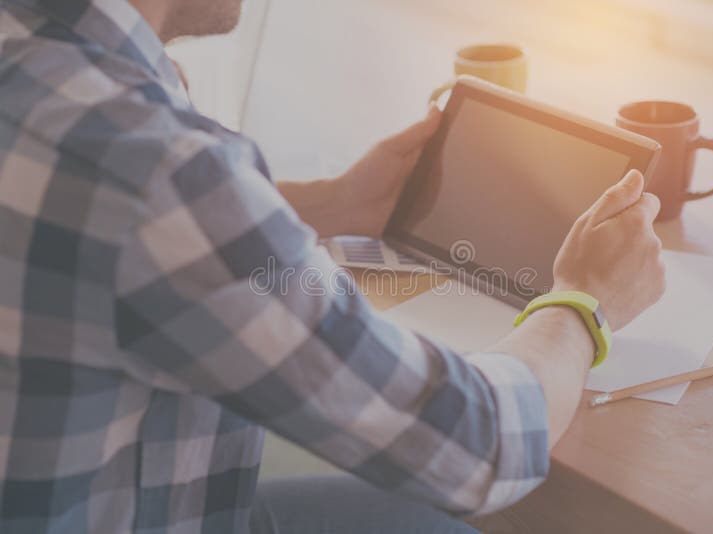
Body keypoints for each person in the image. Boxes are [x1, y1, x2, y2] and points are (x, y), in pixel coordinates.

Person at [0, 0, 665, 532]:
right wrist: (583, 304)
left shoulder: (35, 62)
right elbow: (477, 450)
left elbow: (106, 226)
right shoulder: (161, 172)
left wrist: (331, 203)